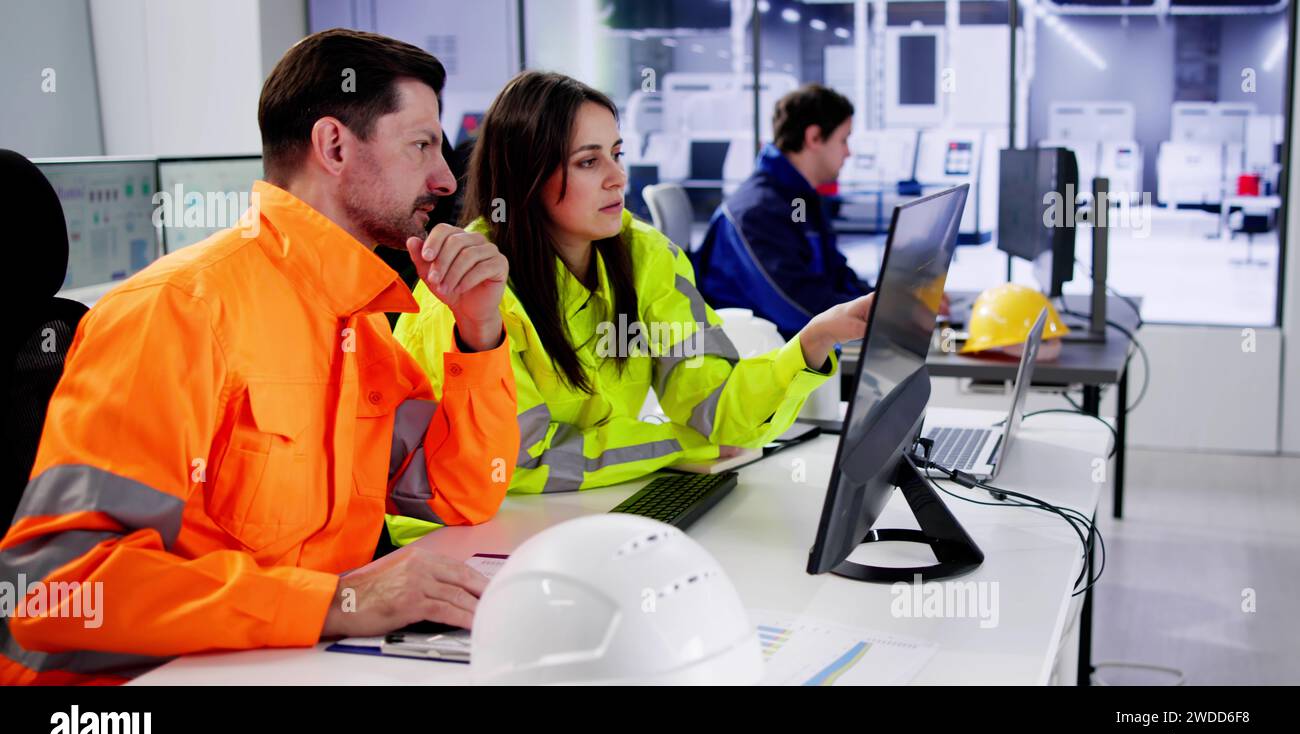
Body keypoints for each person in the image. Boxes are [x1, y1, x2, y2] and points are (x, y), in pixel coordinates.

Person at [0, 29, 519, 685]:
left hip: (286, 665)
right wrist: (339, 602)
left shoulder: (359, 323)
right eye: (421, 145)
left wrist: (478, 332)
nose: (446, 179)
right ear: (333, 146)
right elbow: (61, 588)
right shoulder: (180, 310)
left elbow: (463, 491)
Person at [391, 71, 873, 545]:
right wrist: (678, 444)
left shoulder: (646, 254)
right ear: (527, 173)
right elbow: (524, 459)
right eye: (588, 162)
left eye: (617, 154)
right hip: (460, 540)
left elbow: (714, 405)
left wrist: (814, 340)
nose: (618, 177)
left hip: (574, 514)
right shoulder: (468, 282)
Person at [693, 84, 872, 340]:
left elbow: (835, 274)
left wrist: (885, 302)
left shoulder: (799, 198)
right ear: (814, 137)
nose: (848, 152)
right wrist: (872, 317)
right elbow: (794, 305)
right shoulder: (757, 211)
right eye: (843, 139)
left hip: (788, 346)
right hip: (752, 355)